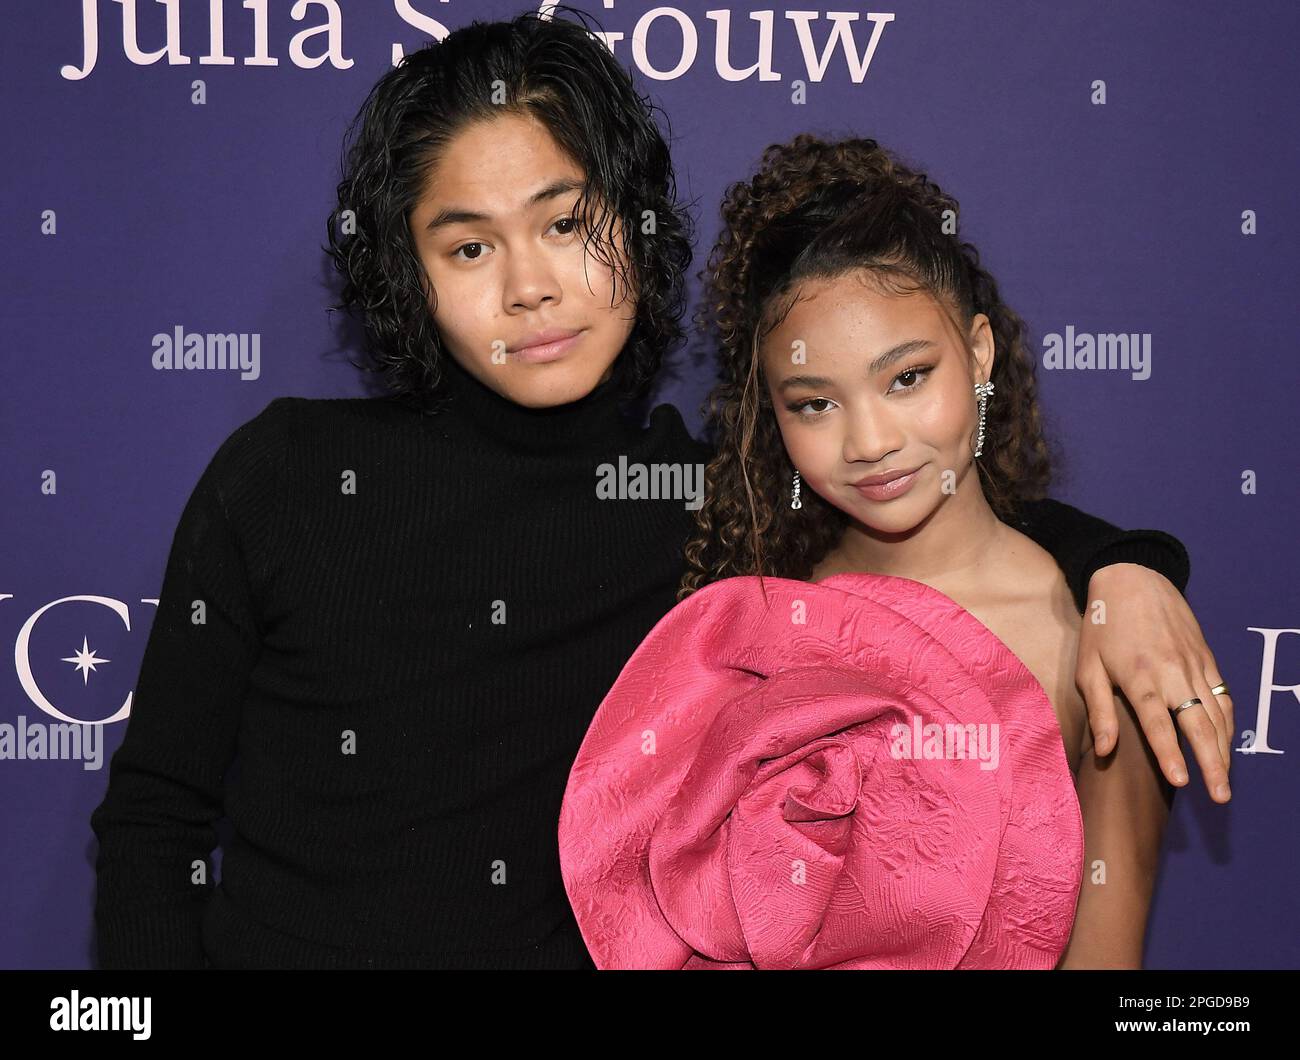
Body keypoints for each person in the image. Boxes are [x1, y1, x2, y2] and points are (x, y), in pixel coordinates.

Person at [91, 10, 1225, 971]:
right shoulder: (286, 474)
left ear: (632, 223)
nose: (532, 287)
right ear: (407, 271)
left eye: (568, 223)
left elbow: (929, 502)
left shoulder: (697, 504)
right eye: (469, 247)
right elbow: (154, 822)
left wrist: (1126, 568)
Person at [560, 134, 1195, 968]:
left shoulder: (1104, 638)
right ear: (772, 416)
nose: (870, 441)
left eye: (906, 378)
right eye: (815, 404)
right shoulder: (748, 626)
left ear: (977, 354)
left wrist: (1131, 567)